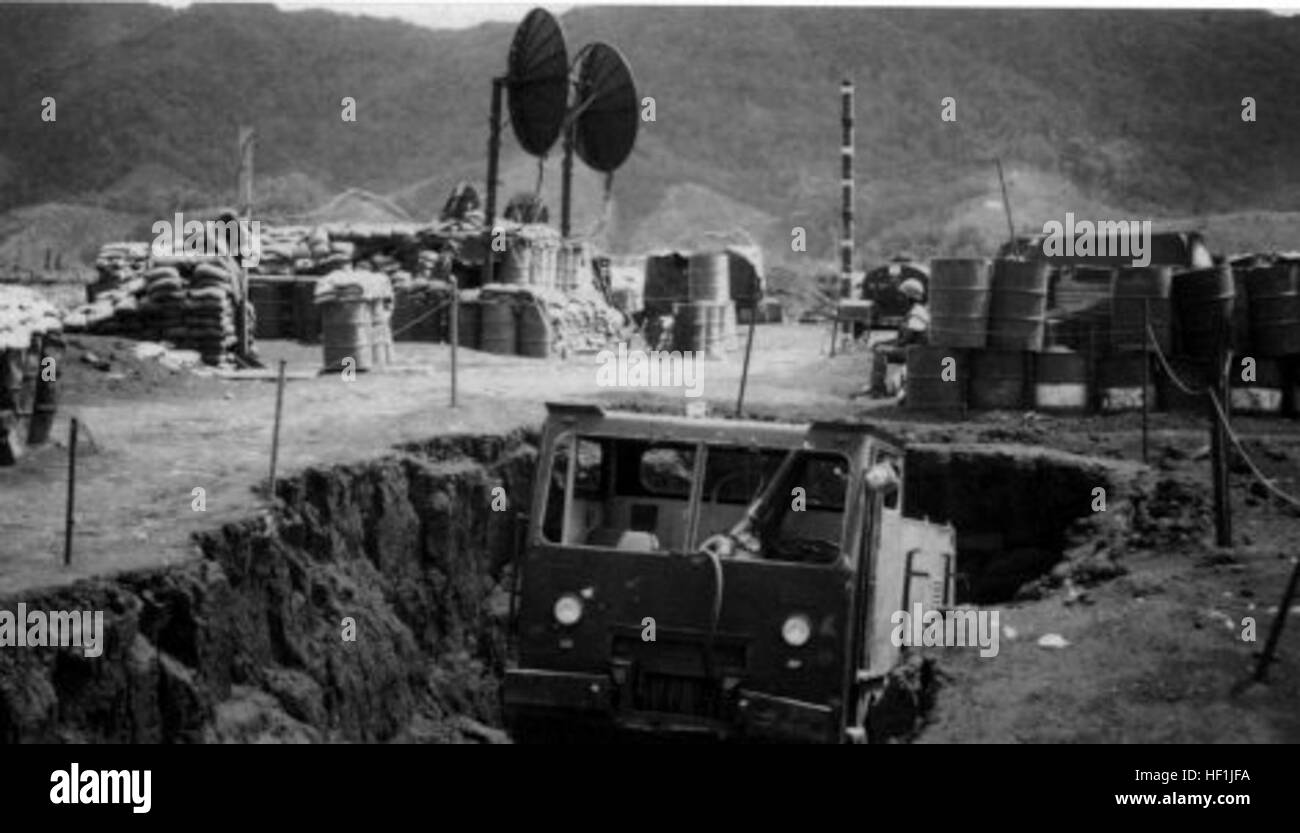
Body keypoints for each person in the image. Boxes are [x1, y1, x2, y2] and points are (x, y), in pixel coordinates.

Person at [868, 278, 929, 396]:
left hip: (916, 352)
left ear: (909, 297)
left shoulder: (917, 313)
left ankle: (878, 389)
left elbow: (907, 338)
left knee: (880, 351)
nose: (900, 299)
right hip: (913, 349)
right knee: (879, 347)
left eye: (903, 295)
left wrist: (888, 345)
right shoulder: (915, 310)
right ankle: (877, 386)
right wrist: (885, 342)